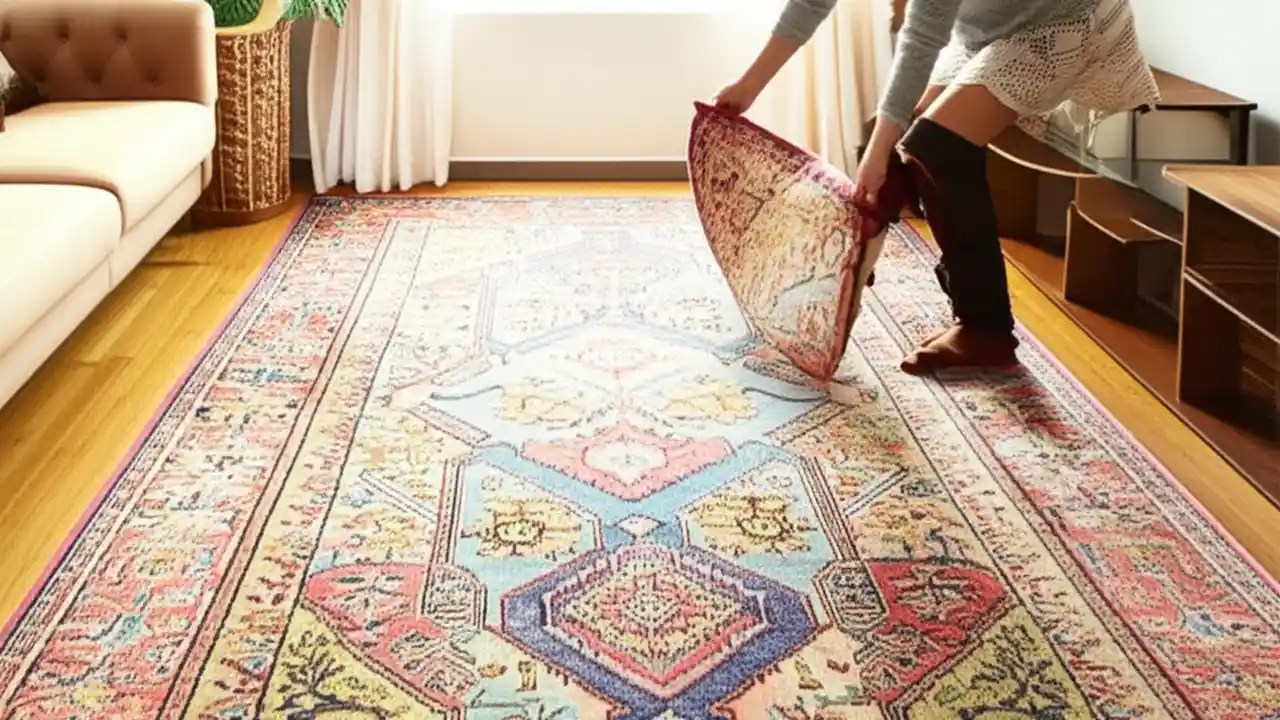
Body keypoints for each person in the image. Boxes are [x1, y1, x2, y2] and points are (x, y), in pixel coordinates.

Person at [714, 0, 1159, 375]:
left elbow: (921, 40)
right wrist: (749, 85)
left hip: (1062, 21)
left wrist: (877, 151)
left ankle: (986, 330)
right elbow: (810, 4)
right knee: (901, 148)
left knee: (937, 146)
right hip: (989, 33)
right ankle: (851, 265)